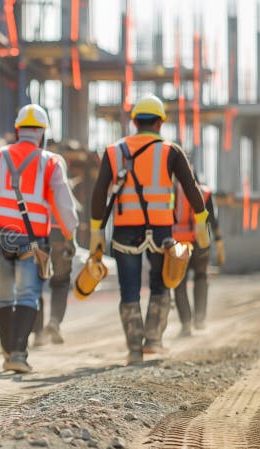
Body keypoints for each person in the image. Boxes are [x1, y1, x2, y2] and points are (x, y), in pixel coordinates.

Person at [89, 95, 210, 364]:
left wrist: (96, 230)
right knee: (160, 285)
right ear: (160, 122)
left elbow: (99, 192)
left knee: (129, 290)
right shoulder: (171, 151)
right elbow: (191, 187)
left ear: (134, 123)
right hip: (161, 233)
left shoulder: (113, 151)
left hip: (124, 233)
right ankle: (153, 341)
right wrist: (201, 219)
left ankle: (134, 349)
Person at [0, 104, 78, 373]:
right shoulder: (50, 162)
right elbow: (64, 204)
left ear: (17, 130)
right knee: (27, 295)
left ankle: (6, 351)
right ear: (43, 134)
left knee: (2, 297)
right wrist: (71, 234)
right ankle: (18, 354)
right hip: (31, 240)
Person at [33, 154, 78, 346]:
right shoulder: (64, 189)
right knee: (60, 283)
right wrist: (72, 240)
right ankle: (54, 322)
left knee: (36, 285)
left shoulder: (34, 187)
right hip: (60, 238)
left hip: (40, 237)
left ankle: (38, 334)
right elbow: (69, 214)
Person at [172, 178, 224, 335]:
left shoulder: (173, 191)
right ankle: (200, 319)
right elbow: (212, 220)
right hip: (201, 243)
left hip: (179, 244)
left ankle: (186, 323)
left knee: (179, 283)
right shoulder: (205, 192)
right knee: (201, 277)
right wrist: (219, 242)